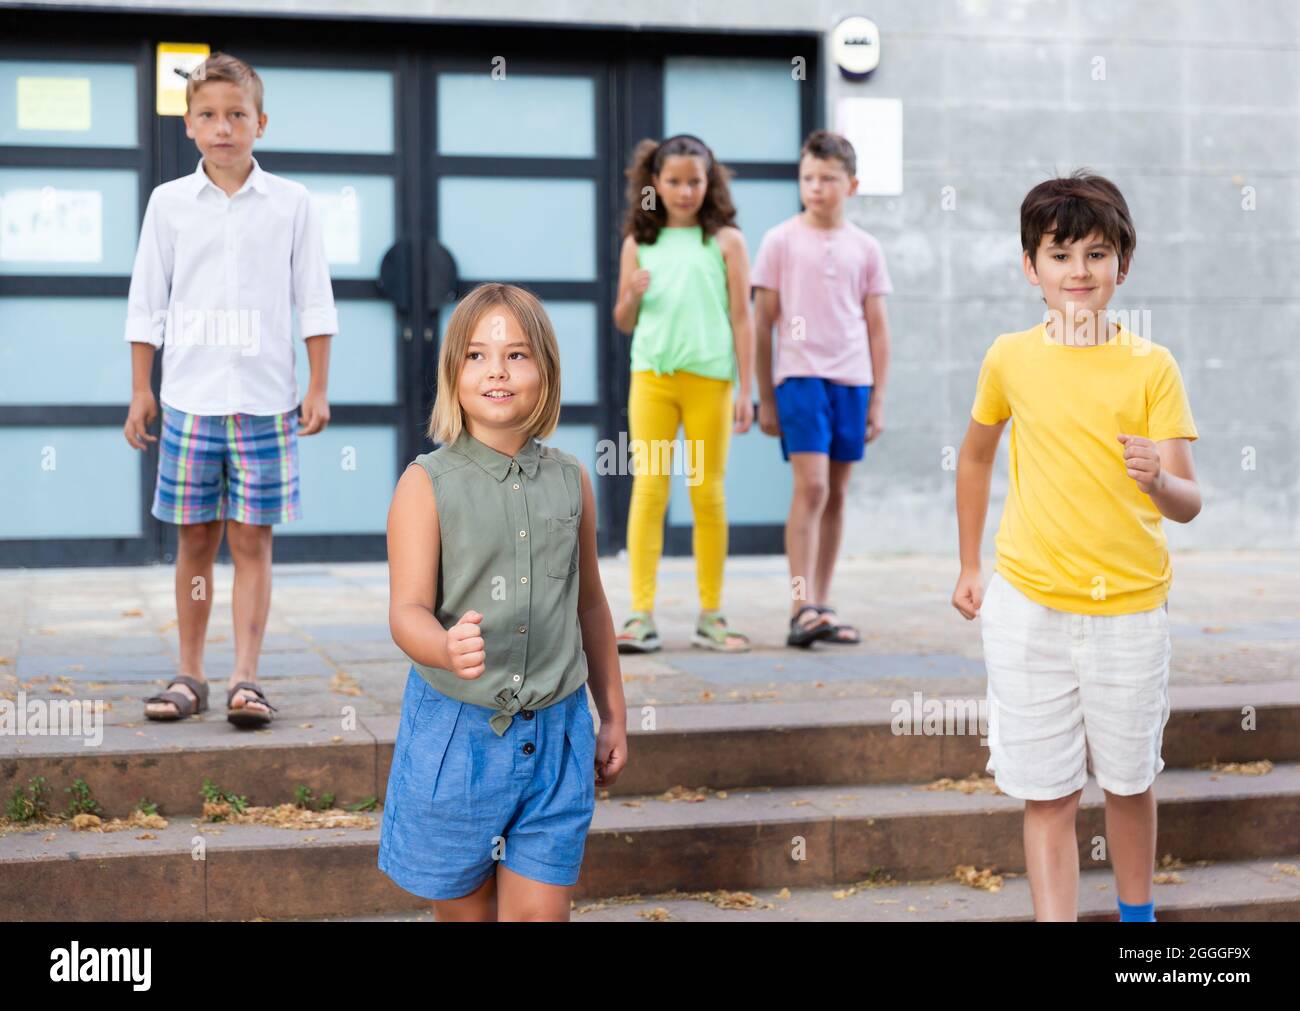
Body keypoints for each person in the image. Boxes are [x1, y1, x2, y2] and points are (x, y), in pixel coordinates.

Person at [951, 171, 1201, 922]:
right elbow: (973, 456)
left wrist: (1158, 479)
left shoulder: (1152, 367)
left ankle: (1136, 922)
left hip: (1129, 611)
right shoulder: (1009, 357)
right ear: (1031, 266)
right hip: (1027, 607)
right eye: (1060, 254)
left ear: (1122, 264)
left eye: (1097, 254)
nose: (1080, 271)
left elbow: (1189, 503)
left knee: (1127, 781)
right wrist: (970, 563)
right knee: (1049, 790)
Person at [382, 283, 628, 921]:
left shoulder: (572, 479)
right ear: (453, 374)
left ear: (544, 370)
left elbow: (592, 606)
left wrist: (615, 717)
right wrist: (441, 645)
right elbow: (405, 610)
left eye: (517, 354)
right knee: (467, 915)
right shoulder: (424, 484)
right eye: (476, 355)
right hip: (457, 739)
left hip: (556, 733)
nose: (496, 369)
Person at [124, 52, 336, 729]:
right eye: (209, 115)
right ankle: (191, 672)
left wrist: (318, 387)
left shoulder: (292, 204)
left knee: (252, 541)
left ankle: (246, 677)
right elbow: (144, 303)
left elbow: (316, 301)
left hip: (268, 403)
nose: (223, 127)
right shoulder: (168, 205)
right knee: (194, 539)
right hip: (189, 398)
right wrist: (141, 390)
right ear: (189, 125)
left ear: (260, 123)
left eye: (236, 115)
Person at [612, 133, 755, 654]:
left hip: (711, 380)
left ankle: (711, 615)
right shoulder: (638, 243)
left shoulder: (726, 242)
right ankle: (639, 615)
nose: (684, 190)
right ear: (654, 184)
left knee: (707, 494)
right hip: (651, 378)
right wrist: (632, 293)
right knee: (649, 491)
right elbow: (622, 320)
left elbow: (744, 316)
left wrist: (747, 388)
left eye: (694, 180)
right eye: (673, 181)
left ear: (708, 182)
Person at [752, 130, 893, 648]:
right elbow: (762, 322)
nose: (816, 187)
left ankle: (822, 603)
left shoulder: (866, 248)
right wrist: (765, 395)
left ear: (850, 184)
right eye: (808, 178)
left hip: (852, 381)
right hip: (799, 378)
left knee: (836, 494)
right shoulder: (779, 241)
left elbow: (878, 327)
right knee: (810, 488)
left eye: (828, 179)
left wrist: (877, 397)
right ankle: (799, 605)